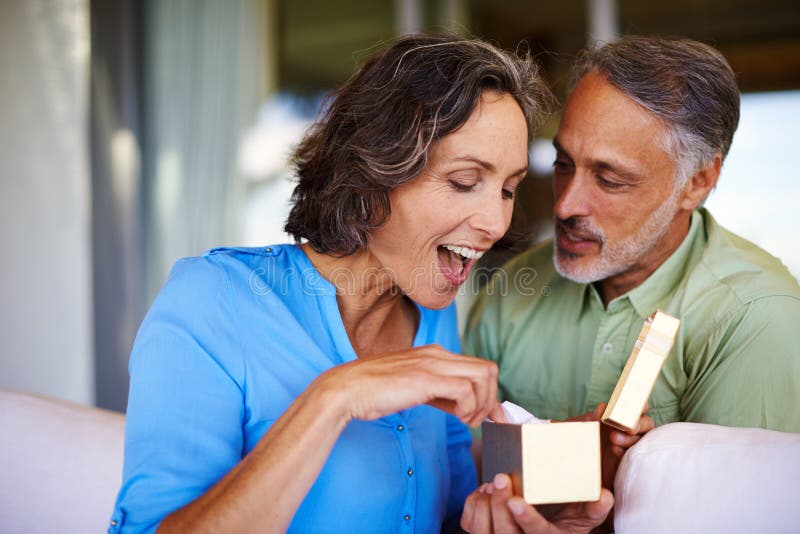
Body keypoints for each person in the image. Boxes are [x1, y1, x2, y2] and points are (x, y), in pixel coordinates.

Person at [108, 35, 618, 534]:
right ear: (372, 174)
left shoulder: (432, 313)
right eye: (464, 182)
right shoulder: (212, 300)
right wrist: (336, 396)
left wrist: (546, 507)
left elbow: (448, 514)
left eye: (508, 189)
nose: (495, 222)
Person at [465, 35, 800, 438]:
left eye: (609, 180)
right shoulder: (511, 293)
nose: (565, 205)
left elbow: (736, 500)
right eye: (562, 163)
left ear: (697, 182)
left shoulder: (754, 316)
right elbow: (468, 470)